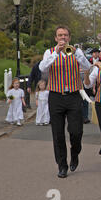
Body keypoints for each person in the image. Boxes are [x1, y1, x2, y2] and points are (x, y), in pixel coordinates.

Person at [39, 26, 91, 178]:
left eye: (65, 35)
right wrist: (56, 52)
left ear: (69, 37)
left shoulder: (76, 52)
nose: (63, 38)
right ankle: (62, 166)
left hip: (73, 95)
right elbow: (42, 68)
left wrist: (77, 54)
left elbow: (88, 67)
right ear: (55, 38)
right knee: (58, 134)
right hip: (56, 96)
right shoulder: (49, 52)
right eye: (60, 35)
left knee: (76, 131)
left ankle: (75, 153)